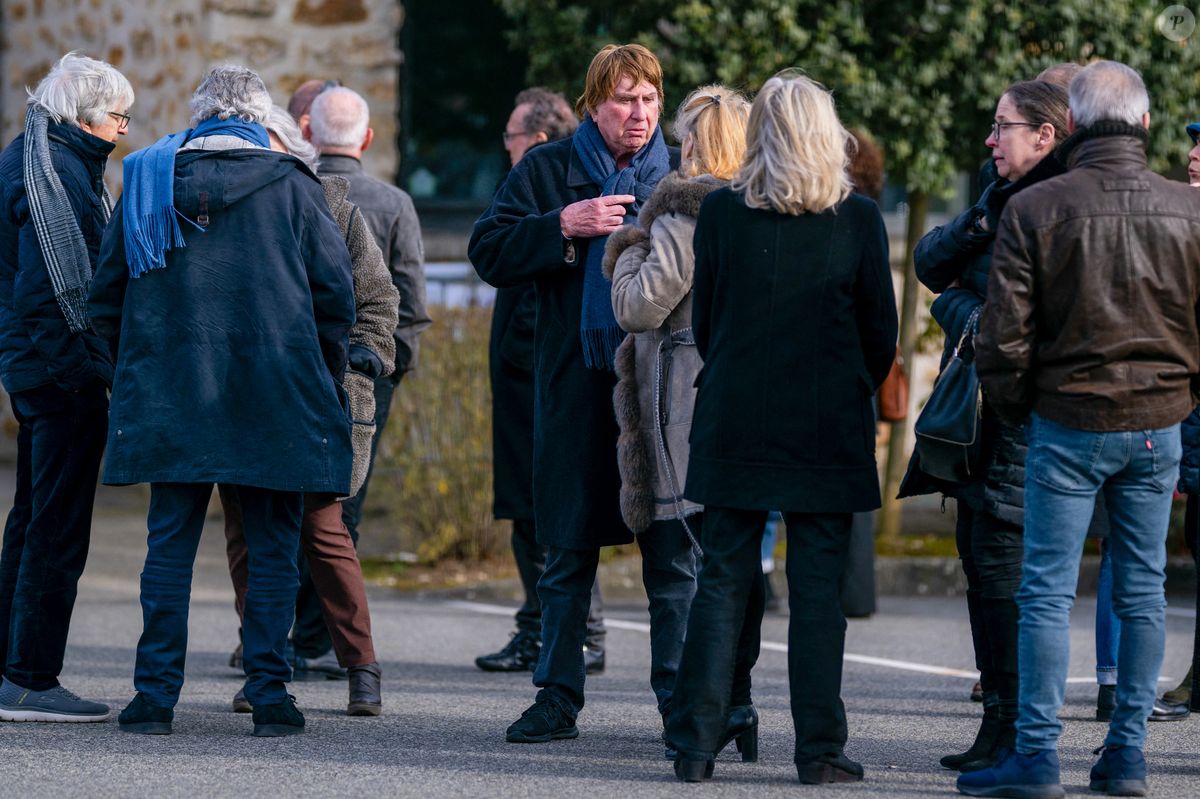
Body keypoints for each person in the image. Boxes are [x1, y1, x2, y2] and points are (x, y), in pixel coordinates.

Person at [90, 65, 356, 737]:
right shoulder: (295, 187)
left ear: (198, 114)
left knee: (169, 549)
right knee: (272, 548)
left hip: (173, 388)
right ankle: (270, 694)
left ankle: (153, 696)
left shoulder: (148, 176)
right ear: (262, 119)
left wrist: (136, 372)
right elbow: (337, 299)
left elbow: (105, 297)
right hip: (274, 389)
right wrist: (319, 377)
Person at [961, 60, 1200, 799]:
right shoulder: (1189, 211)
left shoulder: (1037, 209)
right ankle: (1126, 753)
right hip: (1160, 422)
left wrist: (1018, 404)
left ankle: (1036, 755)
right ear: (1147, 125)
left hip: (1065, 419)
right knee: (1143, 591)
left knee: (1045, 591)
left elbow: (1003, 339)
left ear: (1074, 124)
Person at [664, 71, 897, 785]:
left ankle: (696, 743)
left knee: (723, 579)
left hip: (736, 413)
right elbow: (879, 335)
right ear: (828, 135)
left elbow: (707, 322)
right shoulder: (857, 220)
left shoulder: (725, 215)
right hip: (825, 422)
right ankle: (819, 749)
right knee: (817, 590)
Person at [470, 43, 691, 746]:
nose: (640, 113)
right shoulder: (548, 169)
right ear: (594, 102)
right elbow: (488, 250)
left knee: (671, 558)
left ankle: (678, 702)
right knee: (564, 551)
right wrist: (563, 227)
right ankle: (557, 697)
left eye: (651, 99)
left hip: (656, 395)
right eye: (626, 99)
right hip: (572, 387)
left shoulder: (682, 176)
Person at [905, 79, 1070, 774]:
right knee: (977, 555)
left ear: (1045, 136)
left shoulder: (1069, 200)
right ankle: (996, 718)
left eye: (1003, 127)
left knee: (1005, 566)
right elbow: (929, 265)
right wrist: (980, 221)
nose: (989, 139)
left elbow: (1021, 318)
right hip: (975, 408)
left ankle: (1020, 730)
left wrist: (966, 310)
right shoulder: (993, 187)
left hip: (1029, 412)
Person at [219, 105, 399, 717]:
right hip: (247, 400)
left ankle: (361, 667)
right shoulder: (232, 214)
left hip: (321, 399)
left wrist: (363, 361)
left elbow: (379, 300)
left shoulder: (338, 210)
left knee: (325, 532)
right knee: (246, 533)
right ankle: (263, 663)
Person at [605, 85, 753, 760]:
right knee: (725, 564)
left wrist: (626, 247)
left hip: (678, 400)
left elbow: (639, 306)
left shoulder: (683, 212)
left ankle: (680, 707)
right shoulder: (762, 206)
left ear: (695, 142)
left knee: (673, 568)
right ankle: (737, 703)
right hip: (734, 397)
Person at [0, 52, 132, 723]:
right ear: (84, 115)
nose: (122, 129)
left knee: (30, 520)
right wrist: (84, 376)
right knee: (55, 528)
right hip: (58, 373)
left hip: (32, 368)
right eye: (117, 116)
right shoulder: (58, 172)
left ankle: (10, 668)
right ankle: (30, 677)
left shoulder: (31, 154)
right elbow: (44, 293)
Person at [286, 84, 429, 675]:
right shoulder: (394, 203)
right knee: (343, 507)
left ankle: (277, 633)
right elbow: (409, 300)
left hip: (292, 370)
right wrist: (389, 367)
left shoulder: (291, 192)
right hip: (368, 374)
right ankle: (320, 637)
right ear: (367, 139)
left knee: (284, 500)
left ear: (310, 134)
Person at [476, 87, 608, 675]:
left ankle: (579, 634)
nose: (505, 147)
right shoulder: (536, 186)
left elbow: (534, 290)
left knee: (552, 509)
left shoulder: (555, 178)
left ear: (535, 139)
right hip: (523, 372)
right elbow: (493, 249)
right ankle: (539, 626)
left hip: (543, 375)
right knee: (535, 509)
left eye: (510, 136)